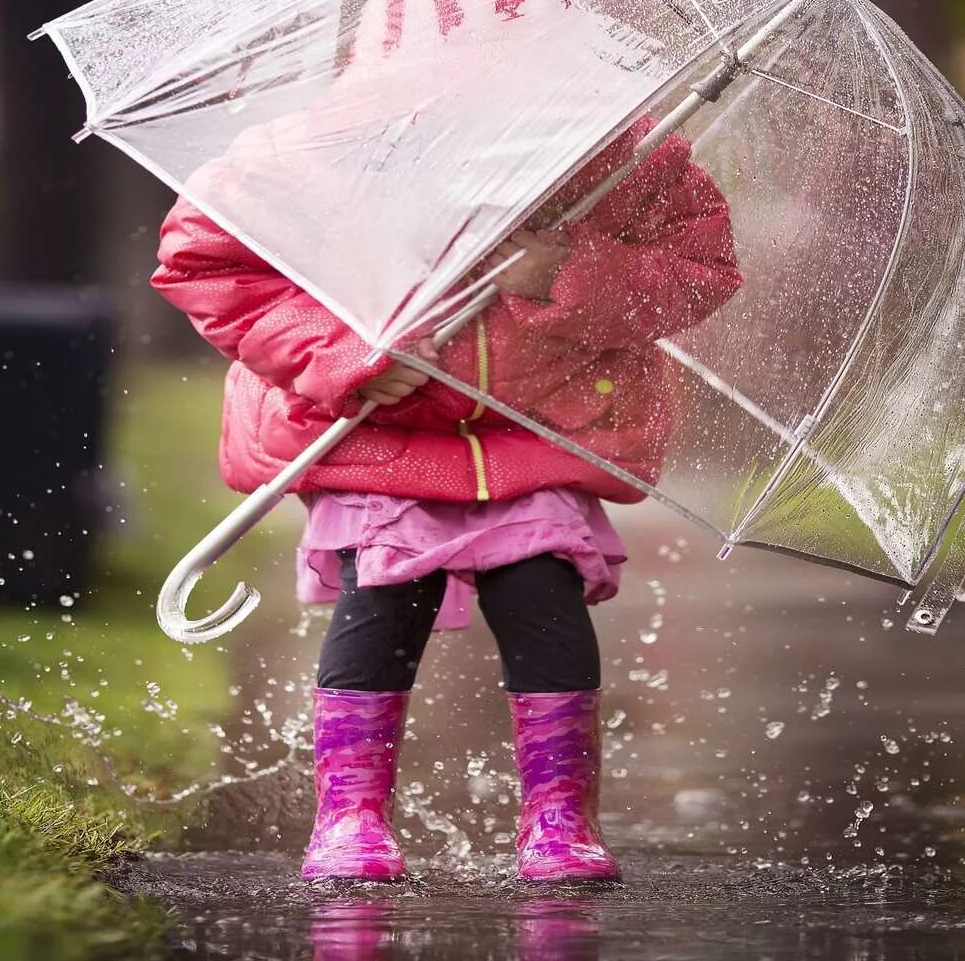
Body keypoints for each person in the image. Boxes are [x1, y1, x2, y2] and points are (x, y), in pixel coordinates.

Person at [152, 114, 740, 883]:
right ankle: (348, 817)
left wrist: (565, 271)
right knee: (385, 599)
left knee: (542, 595)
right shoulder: (311, 153)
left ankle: (559, 819)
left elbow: (700, 271)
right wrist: (339, 350)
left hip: (534, 431)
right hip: (378, 432)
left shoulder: (617, 154)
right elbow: (212, 265)